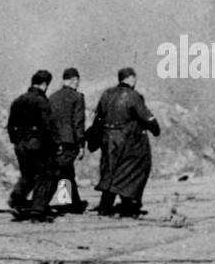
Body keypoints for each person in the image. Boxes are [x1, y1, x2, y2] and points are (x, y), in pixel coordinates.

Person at [87, 66, 160, 217]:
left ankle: (105, 206)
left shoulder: (106, 94)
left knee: (110, 171)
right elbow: (145, 116)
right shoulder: (132, 96)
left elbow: (98, 118)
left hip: (108, 139)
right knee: (135, 169)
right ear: (131, 79)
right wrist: (155, 128)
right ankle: (130, 206)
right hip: (127, 140)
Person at [6, 69, 59, 223]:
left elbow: (10, 126)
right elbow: (47, 125)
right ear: (44, 84)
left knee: (28, 174)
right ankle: (37, 212)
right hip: (37, 143)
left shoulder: (18, 100)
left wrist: (16, 141)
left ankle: (16, 200)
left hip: (20, 143)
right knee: (45, 175)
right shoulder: (41, 101)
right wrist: (55, 144)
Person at [49, 67, 88, 214]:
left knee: (66, 172)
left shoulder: (52, 97)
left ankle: (74, 203)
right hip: (69, 141)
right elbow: (78, 123)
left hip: (54, 141)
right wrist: (81, 145)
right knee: (59, 172)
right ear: (74, 80)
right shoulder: (77, 97)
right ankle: (38, 204)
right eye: (77, 81)